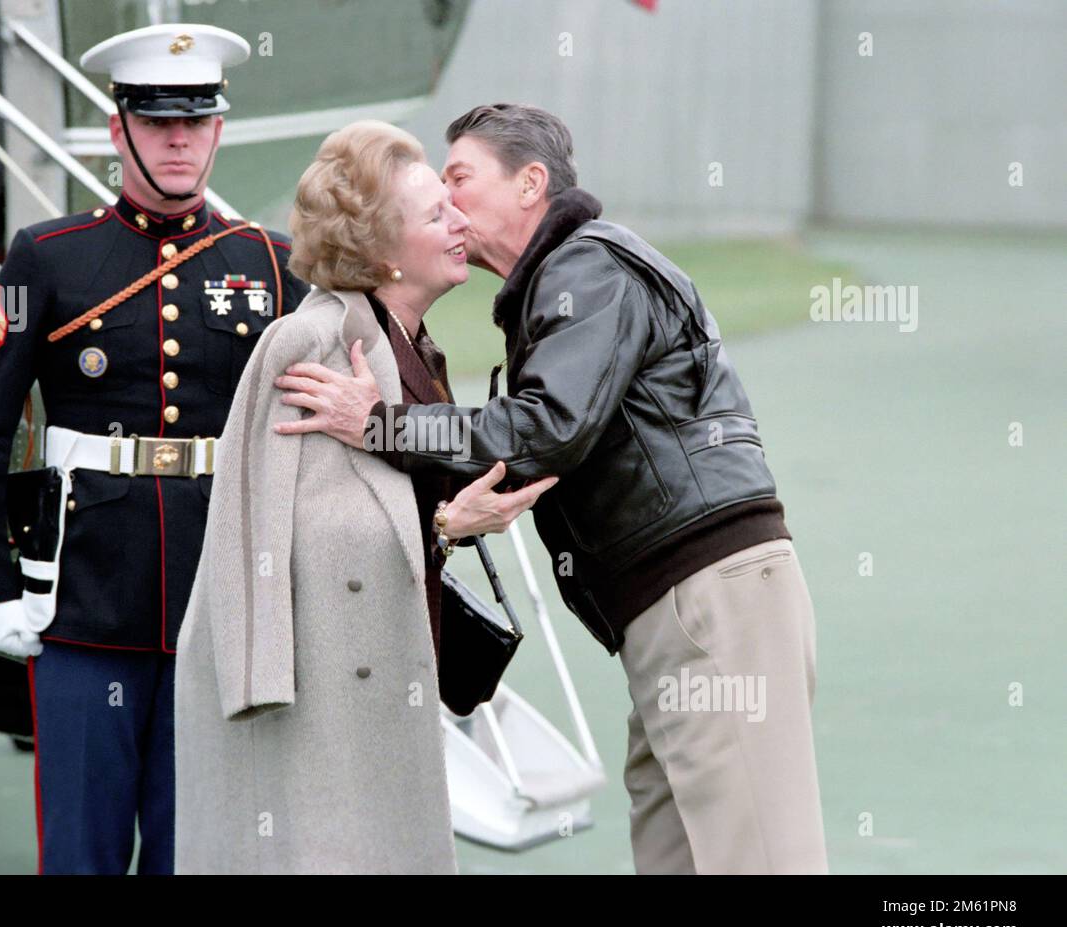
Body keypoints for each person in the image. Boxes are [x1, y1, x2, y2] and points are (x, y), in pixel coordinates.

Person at [275, 104, 828, 874]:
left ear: (531, 183)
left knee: (758, 858)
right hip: (682, 605)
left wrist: (381, 424)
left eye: (459, 178)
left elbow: (545, 429)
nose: (447, 197)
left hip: (708, 598)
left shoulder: (585, 267)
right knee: (679, 851)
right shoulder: (564, 279)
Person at [0, 24, 309, 875]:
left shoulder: (274, 265)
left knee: (196, 850)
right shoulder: (49, 259)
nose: (178, 139)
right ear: (119, 131)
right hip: (80, 601)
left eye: (195, 120)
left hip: (218, 602)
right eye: (156, 122)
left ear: (219, 128)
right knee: (79, 849)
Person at [173, 121, 554, 873]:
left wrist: (451, 521)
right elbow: (254, 525)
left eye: (454, 203)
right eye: (434, 214)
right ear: (383, 253)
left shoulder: (419, 348)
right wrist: (258, 685)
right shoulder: (306, 343)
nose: (459, 221)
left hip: (386, 693)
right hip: (314, 710)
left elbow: (406, 520)